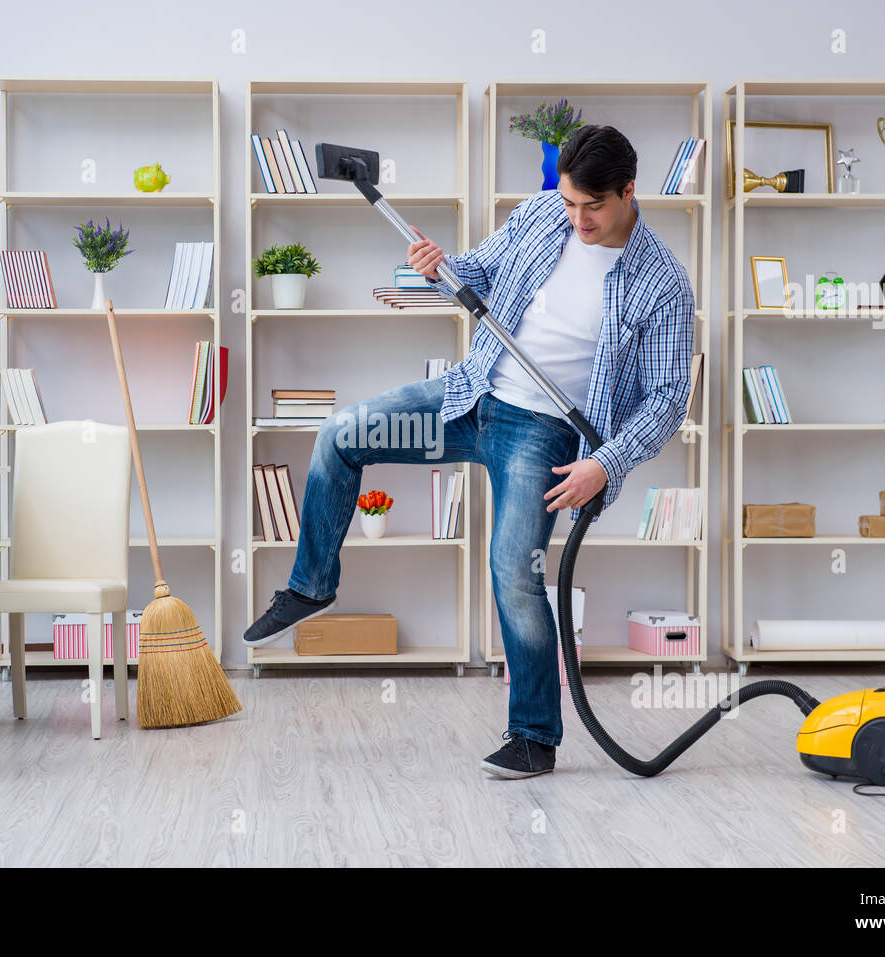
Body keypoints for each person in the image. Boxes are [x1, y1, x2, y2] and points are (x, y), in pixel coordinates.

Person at [244, 125, 695, 778]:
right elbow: (481, 271)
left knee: (513, 569)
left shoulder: (662, 284)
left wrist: (606, 462)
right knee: (340, 435)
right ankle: (311, 585)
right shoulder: (543, 214)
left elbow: (665, 400)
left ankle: (534, 736)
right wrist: (440, 267)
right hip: (471, 393)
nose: (576, 219)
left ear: (628, 192)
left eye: (591, 207)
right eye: (569, 203)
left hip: (542, 434)